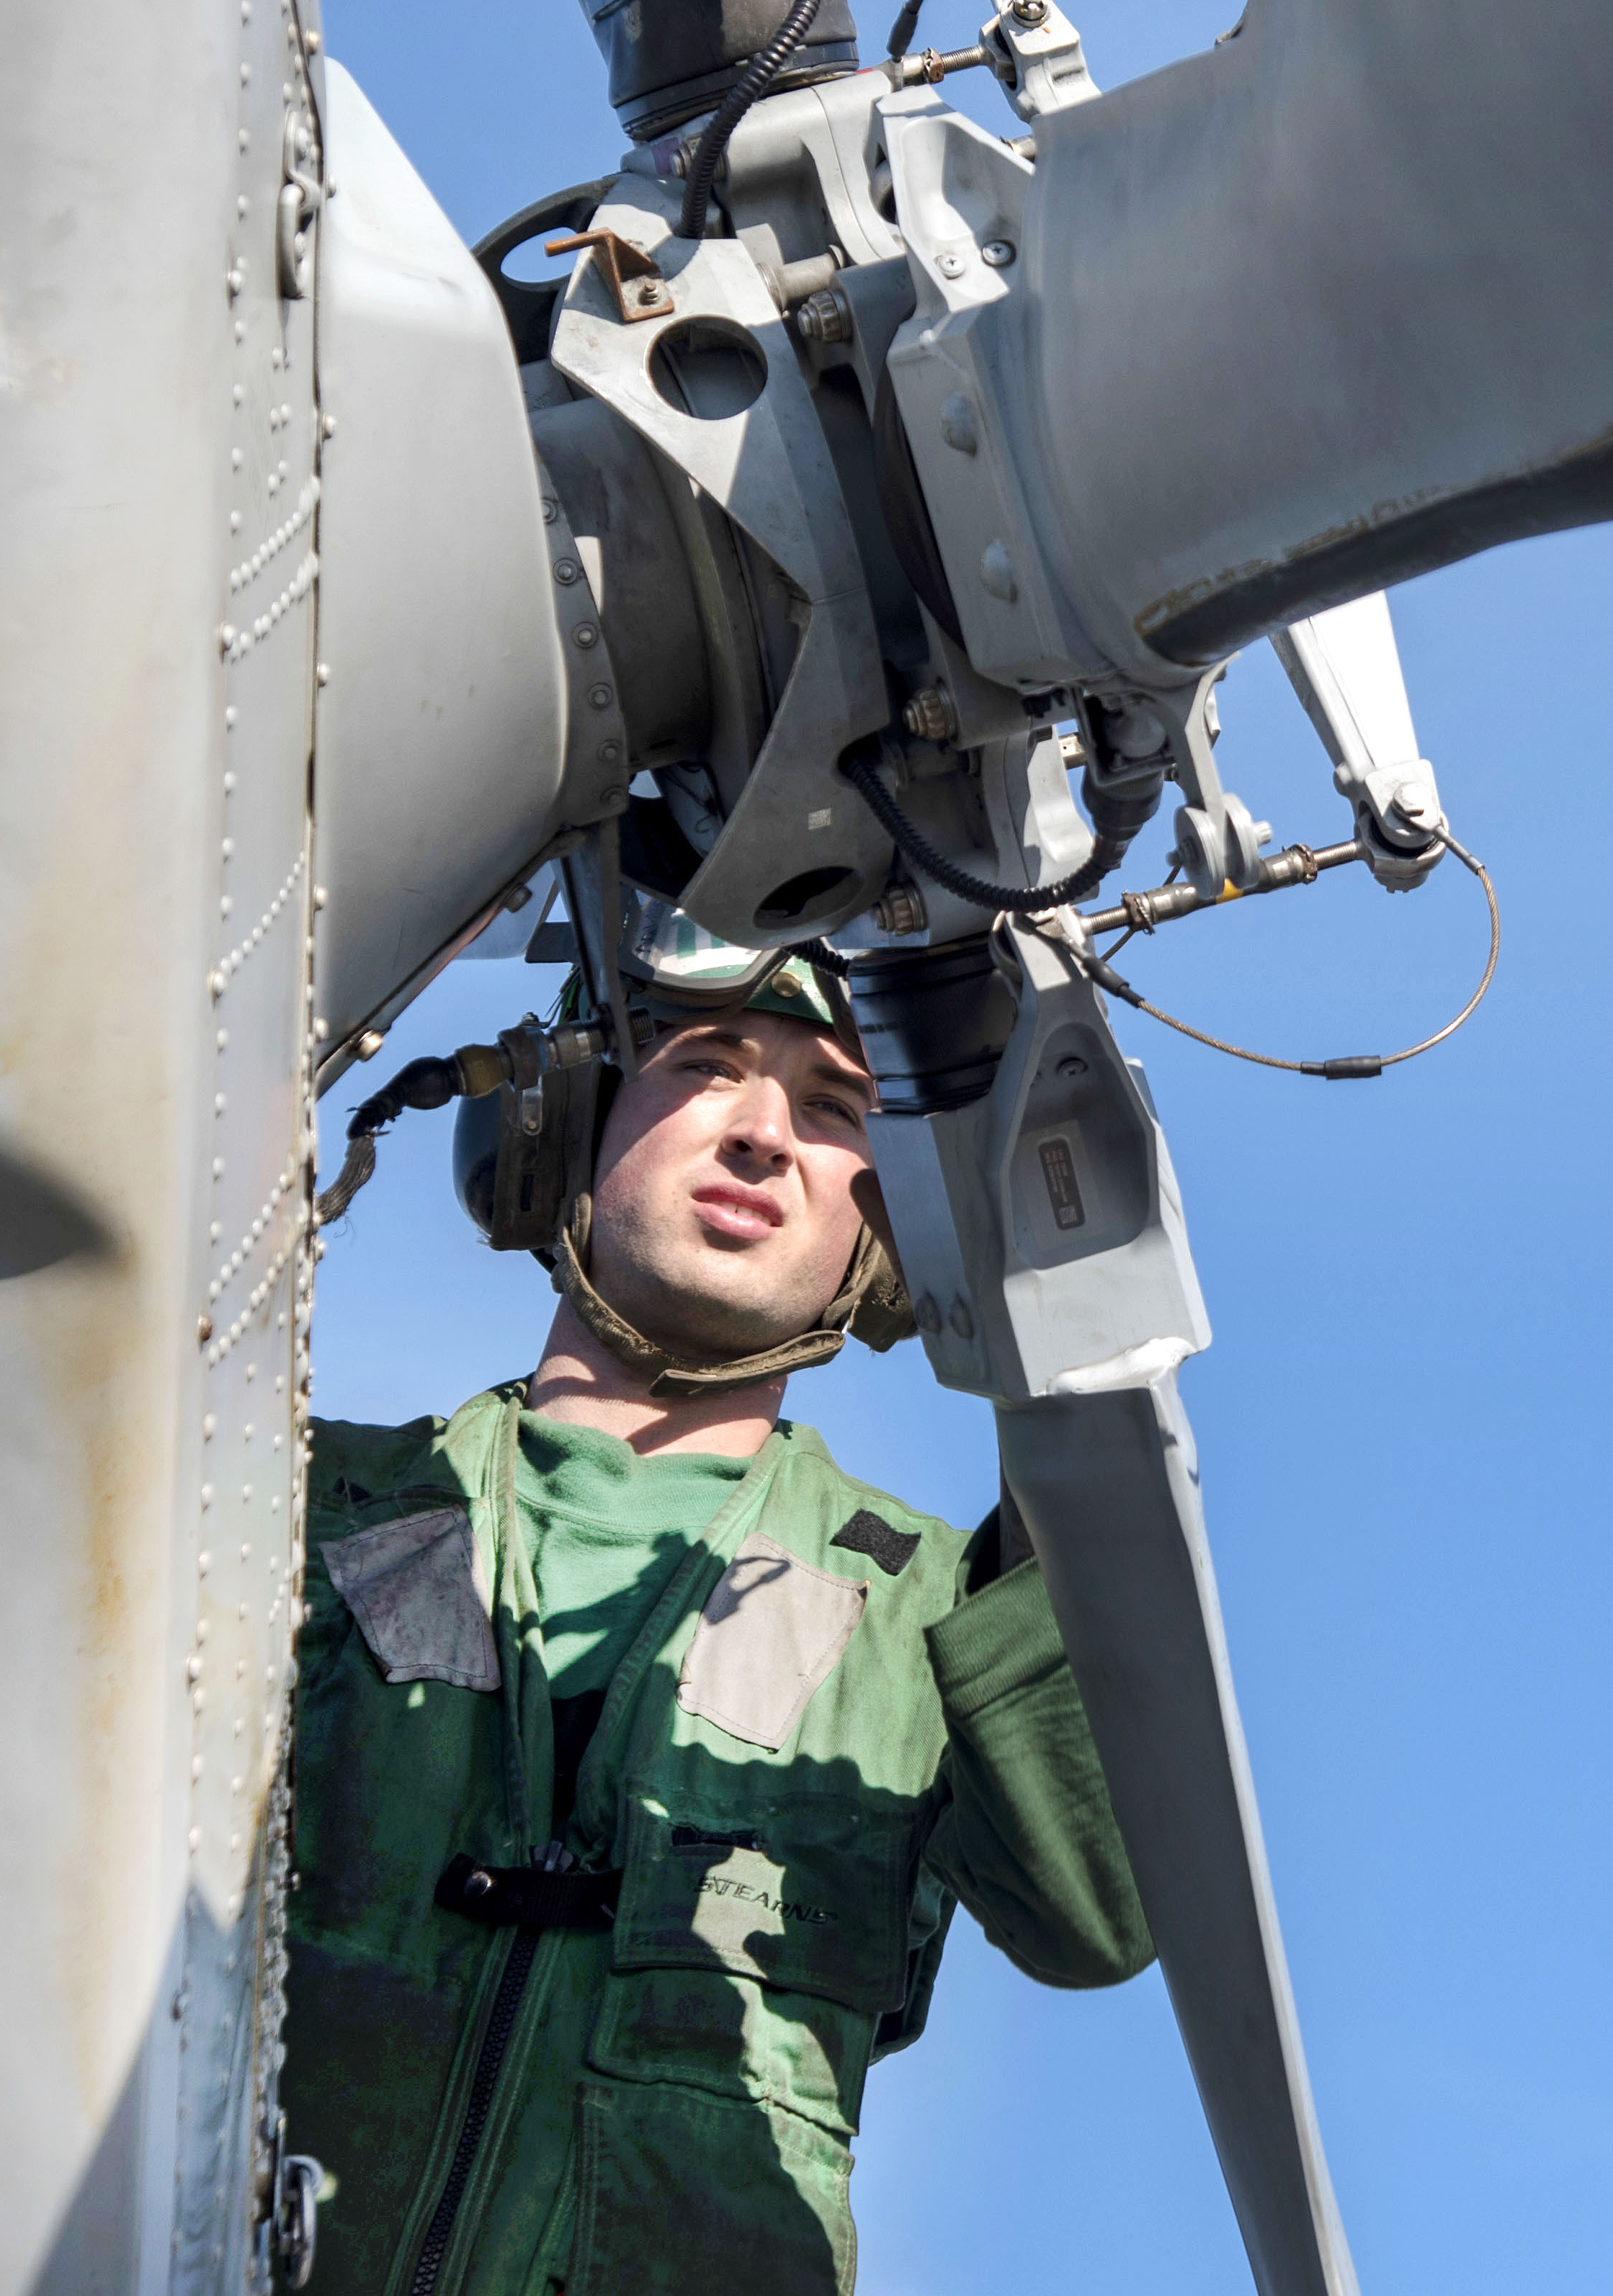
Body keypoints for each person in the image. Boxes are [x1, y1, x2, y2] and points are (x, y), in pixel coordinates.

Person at [279, 951, 1150, 2296]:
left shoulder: (940, 1612)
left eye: (837, 1107)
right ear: (560, 1125)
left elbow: (1095, 1917)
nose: (763, 1134)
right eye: (704, 1068)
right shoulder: (298, 1503)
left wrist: (1054, 1360)